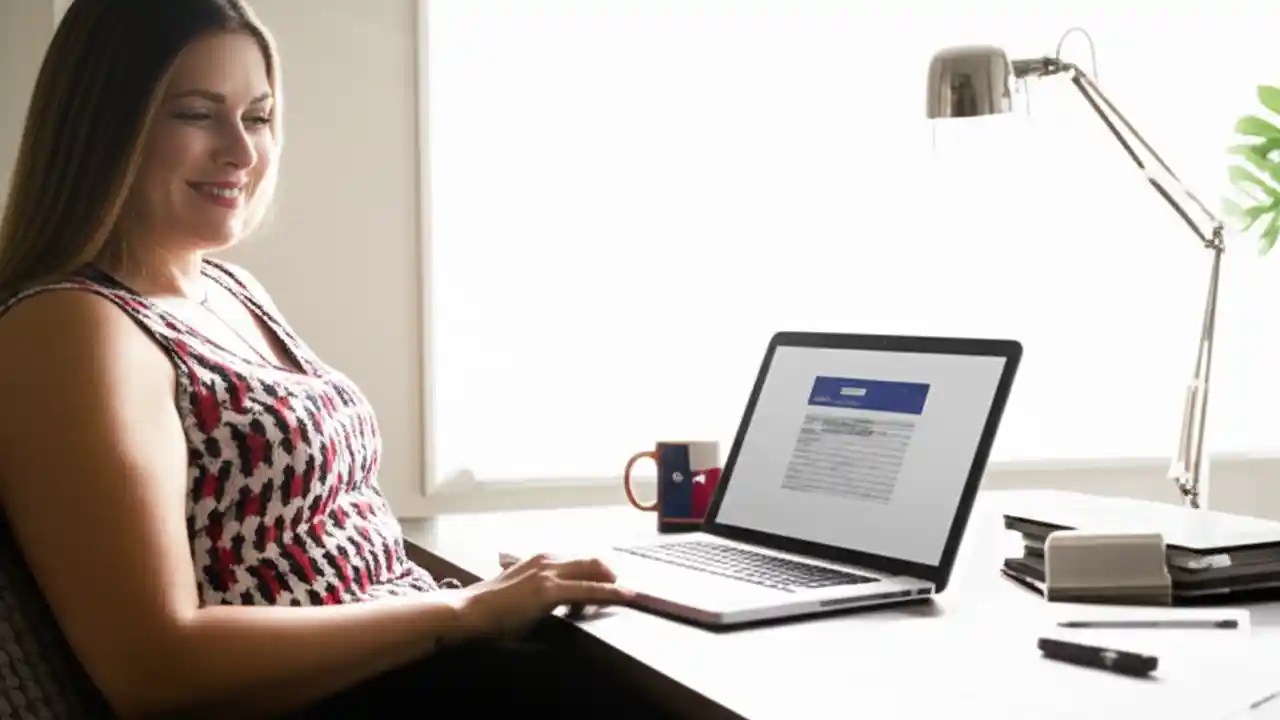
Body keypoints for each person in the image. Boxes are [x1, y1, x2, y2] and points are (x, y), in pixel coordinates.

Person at [0, 2, 669, 718]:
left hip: (418, 661)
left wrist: (481, 605)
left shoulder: (227, 289)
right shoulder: (71, 325)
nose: (243, 151)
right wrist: (461, 614)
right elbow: (154, 666)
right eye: (197, 114)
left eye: (257, 116)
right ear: (103, 128)